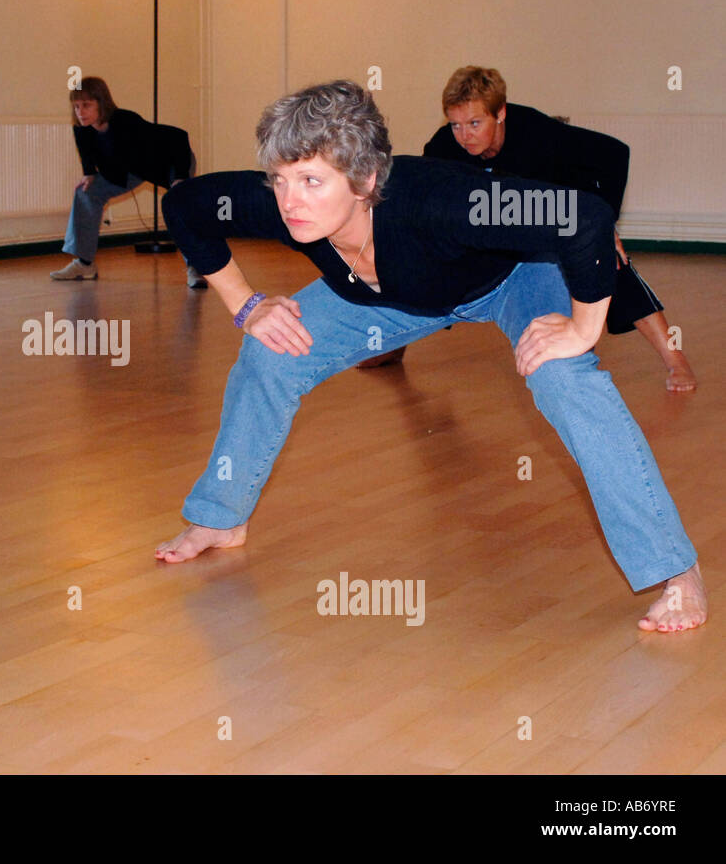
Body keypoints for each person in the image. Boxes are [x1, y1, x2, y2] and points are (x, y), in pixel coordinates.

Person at [157, 80, 705, 634]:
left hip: (511, 275)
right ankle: (220, 519)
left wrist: (584, 329)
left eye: (311, 181)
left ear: (366, 180)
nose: (289, 200)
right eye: (279, 180)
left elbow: (582, 216)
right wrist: (247, 306)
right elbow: (182, 205)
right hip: (383, 295)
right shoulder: (285, 205)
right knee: (269, 352)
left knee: (563, 377)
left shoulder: (444, 203)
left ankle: (676, 571)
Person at [415, 66, 697, 391]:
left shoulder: (539, 132)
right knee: (427, 260)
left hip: (559, 212)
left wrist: (604, 223)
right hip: (496, 225)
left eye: (475, 124)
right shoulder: (444, 148)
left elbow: (615, 154)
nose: (464, 136)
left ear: (500, 113)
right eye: (456, 125)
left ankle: (676, 361)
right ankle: (393, 347)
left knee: (612, 264)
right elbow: (425, 196)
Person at [53, 76, 204, 287]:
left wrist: (180, 178)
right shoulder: (82, 129)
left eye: (86, 105)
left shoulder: (126, 121)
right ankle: (85, 264)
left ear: (101, 102)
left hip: (169, 162)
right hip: (130, 170)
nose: (80, 112)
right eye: (76, 106)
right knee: (86, 192)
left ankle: (195, 269)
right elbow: (86, 154)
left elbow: (178, 137)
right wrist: (89, 173)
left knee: (181, 206)